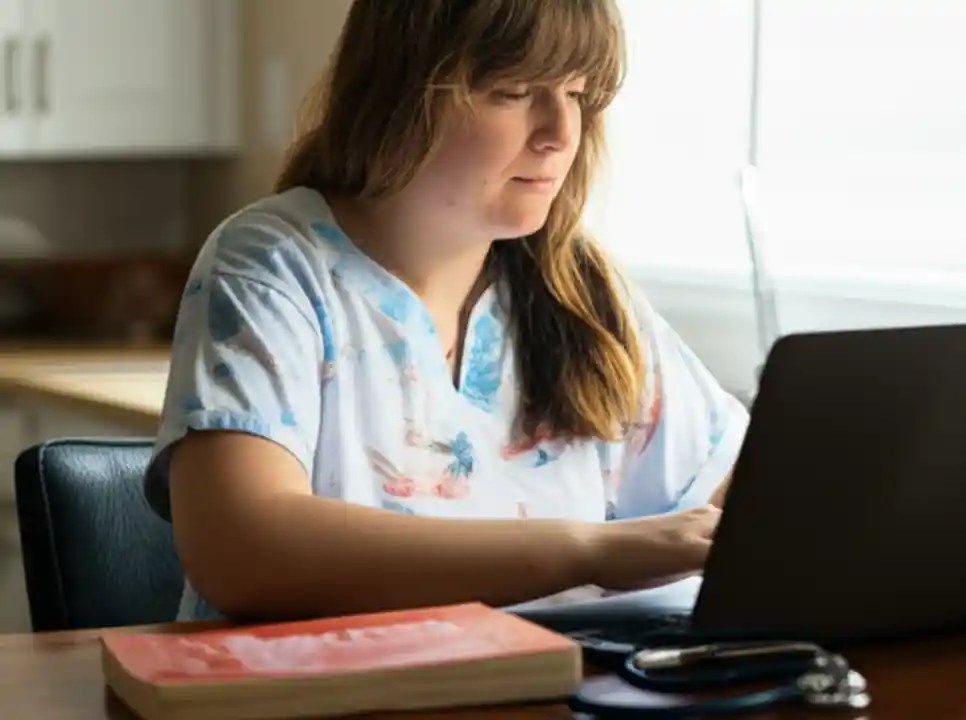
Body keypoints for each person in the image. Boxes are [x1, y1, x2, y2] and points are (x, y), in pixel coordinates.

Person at [145, 0, 749, 623]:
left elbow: (743, 506)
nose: (560, 133)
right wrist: (587, 550)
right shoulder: (273, 265)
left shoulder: (584, 291)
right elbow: (242, 552)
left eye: (577, 93)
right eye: (515, 91)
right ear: (402, 95)